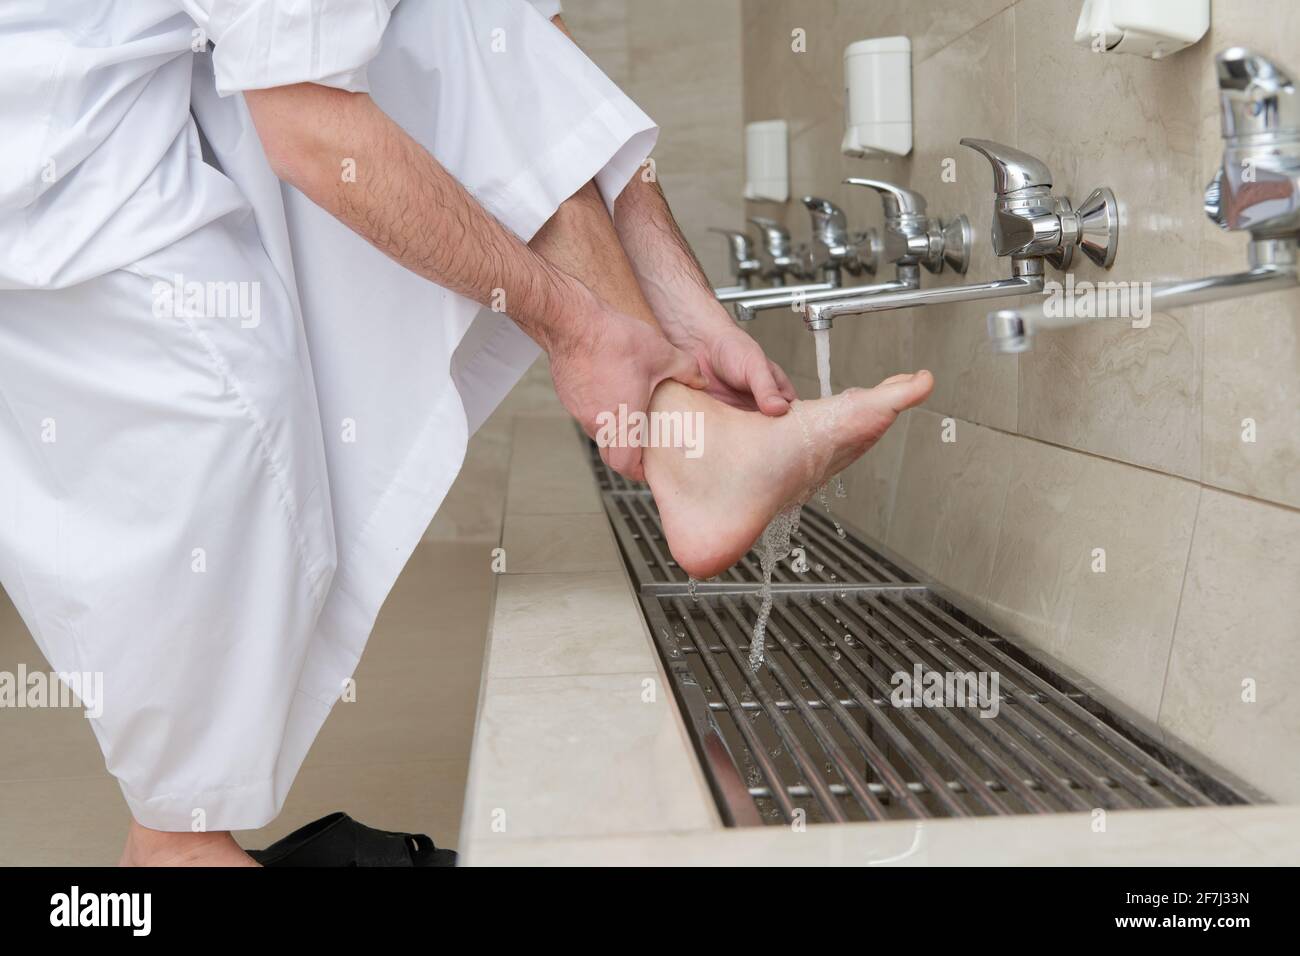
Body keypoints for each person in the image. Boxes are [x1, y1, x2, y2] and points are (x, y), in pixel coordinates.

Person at [0, 0, 932, 866]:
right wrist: (576, 331)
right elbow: (311, 129)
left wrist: (680, 310)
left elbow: (530, 70)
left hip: (150, 99)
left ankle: (695, 451)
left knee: (459, 26)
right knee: (232, 444)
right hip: (51, 165)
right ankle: (176, 848)